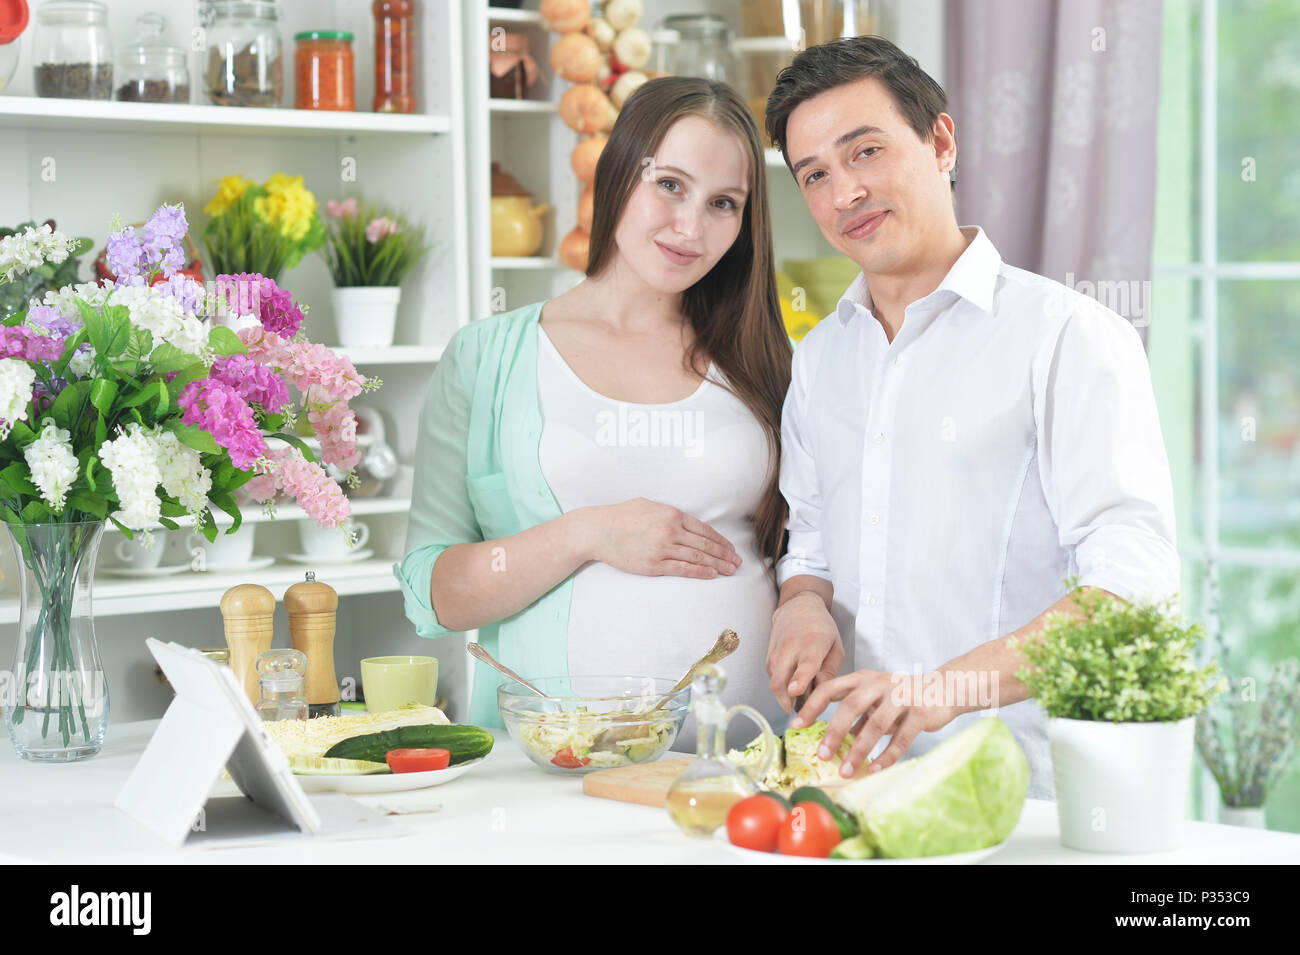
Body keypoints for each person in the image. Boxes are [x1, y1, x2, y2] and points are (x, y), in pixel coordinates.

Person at [761, 36, 1179, 798]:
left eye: (866, 152)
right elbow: (812, 544)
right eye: (814, 174)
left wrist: (940, 689)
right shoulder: (819, 360)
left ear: (941, 141)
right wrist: (802, 603)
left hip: (1022, 797)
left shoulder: (1069, 338)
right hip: (851, 790)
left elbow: (1134, 585)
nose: (843, 194)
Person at [395, 76, 792, 743]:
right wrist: (586, 533)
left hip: (749, 762)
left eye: (723, 203)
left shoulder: (767, 360)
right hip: (559, 770)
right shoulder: (487, 358)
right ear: (618, 171)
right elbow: (432, 591)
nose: (690, 227)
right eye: (669, 184)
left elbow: (811, 554)